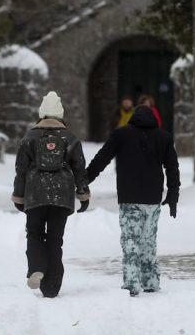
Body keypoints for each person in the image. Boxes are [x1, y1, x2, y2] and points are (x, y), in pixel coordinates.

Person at [86, 105, 179, 297]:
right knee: (148, 241)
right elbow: (172, 167)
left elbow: (102, 158)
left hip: (129, 199)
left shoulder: (121, 135)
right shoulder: (164, 137)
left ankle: (132, 283)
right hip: (153, 199)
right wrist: (173, 194)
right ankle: (151, 282)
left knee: (131, 242)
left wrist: (85, 179)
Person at [11, 91, 91, 298]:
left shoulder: (29, 138)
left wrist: (19, 197)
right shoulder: (70, 138)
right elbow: (80, 169)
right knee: (55, 239)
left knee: (35, 234)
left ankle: (36, 267)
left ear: (41, 114)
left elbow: (20, 170)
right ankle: (52, 287)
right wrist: (83, 194)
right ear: (61, 115)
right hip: (62, 196)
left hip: (35, 194)